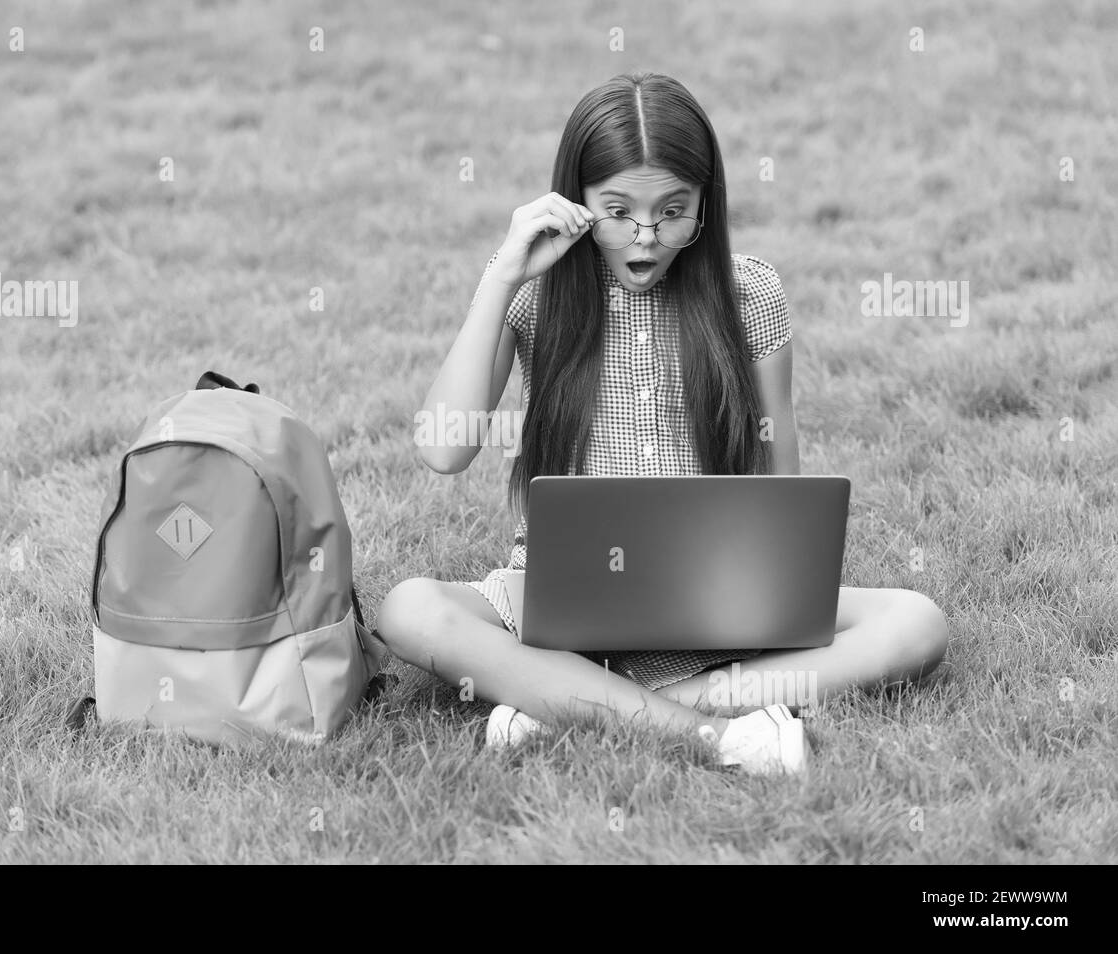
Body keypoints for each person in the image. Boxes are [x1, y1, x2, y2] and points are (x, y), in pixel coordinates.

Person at [375, 71, 949, 775]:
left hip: (716, 596)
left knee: (916, 622)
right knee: (410, 608)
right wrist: (501, 277)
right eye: (617, 211)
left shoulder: (752, 295)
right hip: (560, 598)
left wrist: (753, 583)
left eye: (673, 210)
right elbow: (442, 447)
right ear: (575, 201)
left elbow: (780, 486)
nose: (646, 237)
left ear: (707, 199)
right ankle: (712, 730)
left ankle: (578, 703)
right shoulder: (536, 298)